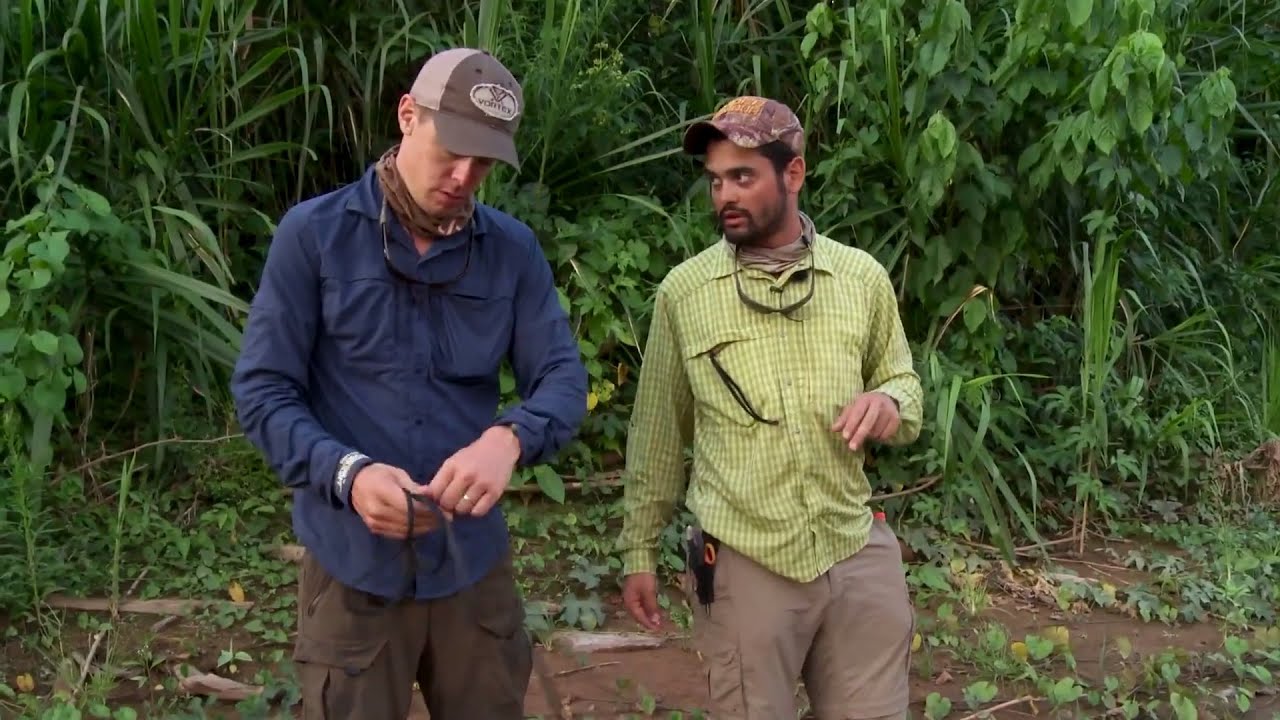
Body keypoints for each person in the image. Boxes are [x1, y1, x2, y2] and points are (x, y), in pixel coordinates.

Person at [231, 47, 588, 720]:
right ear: (406, 116)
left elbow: (563, 378)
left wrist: (509, 440)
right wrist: (349, 475)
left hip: (470, 567)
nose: (463, 176)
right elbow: (264, 391)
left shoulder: (510, 252)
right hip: (353, 567)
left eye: (483, 162)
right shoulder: (314, 236)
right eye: (451, 149)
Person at [616, 95, 924, 720]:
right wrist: (637, 553)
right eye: (716, 180)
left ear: (794, 174)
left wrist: (889, 402)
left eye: (743, 177)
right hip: (746, 559)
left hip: (852, 547)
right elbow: (655, 435)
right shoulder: (686, 293)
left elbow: (905, 384)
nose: (723, 195)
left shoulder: (860, 278)